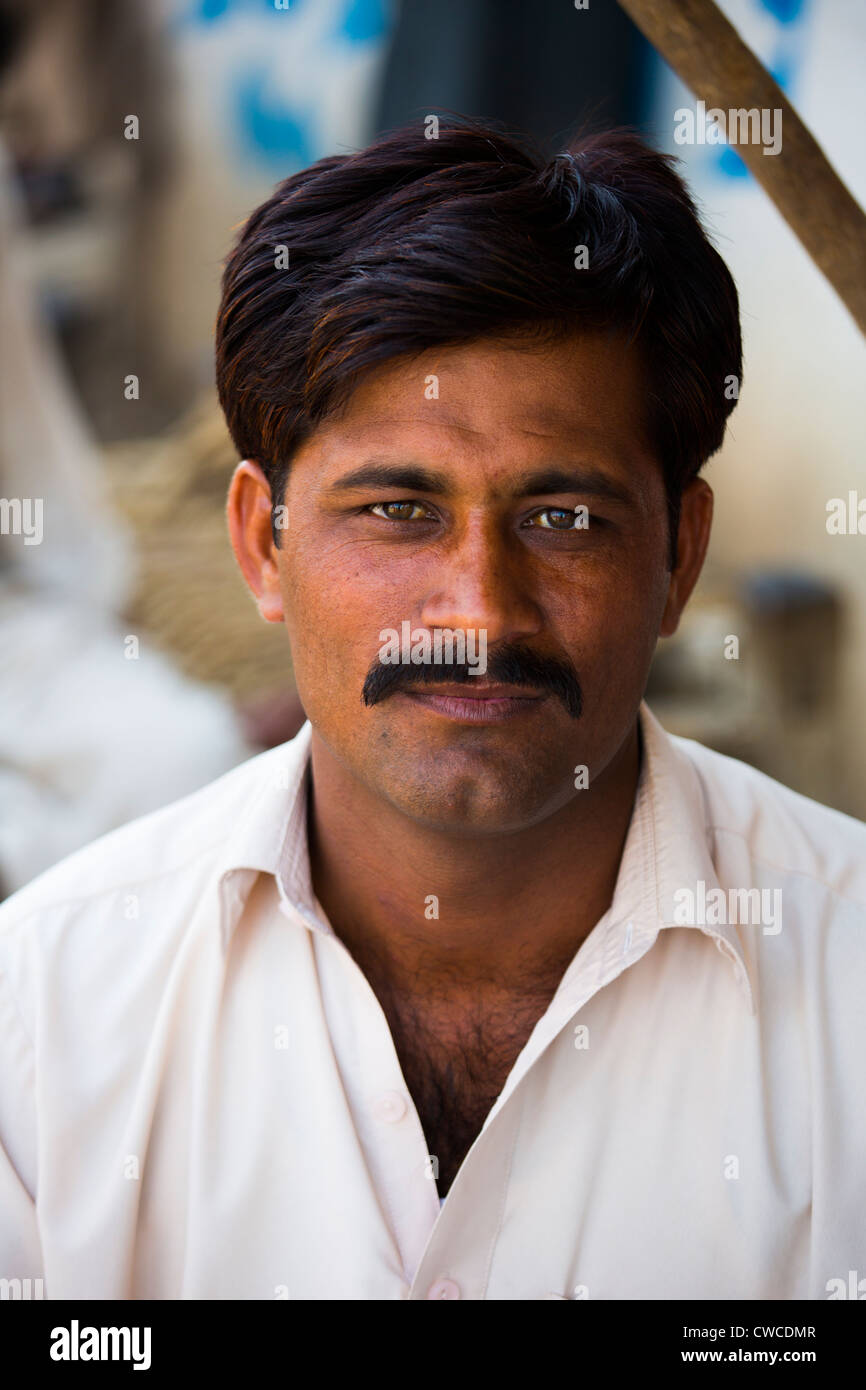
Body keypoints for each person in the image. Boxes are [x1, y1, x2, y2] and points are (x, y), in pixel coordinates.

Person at [1, 119, 864, 1301]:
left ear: (679, 556)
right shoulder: (44, 1016)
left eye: (563, 519)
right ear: (261, 544)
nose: (478, 609)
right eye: (398, 511)